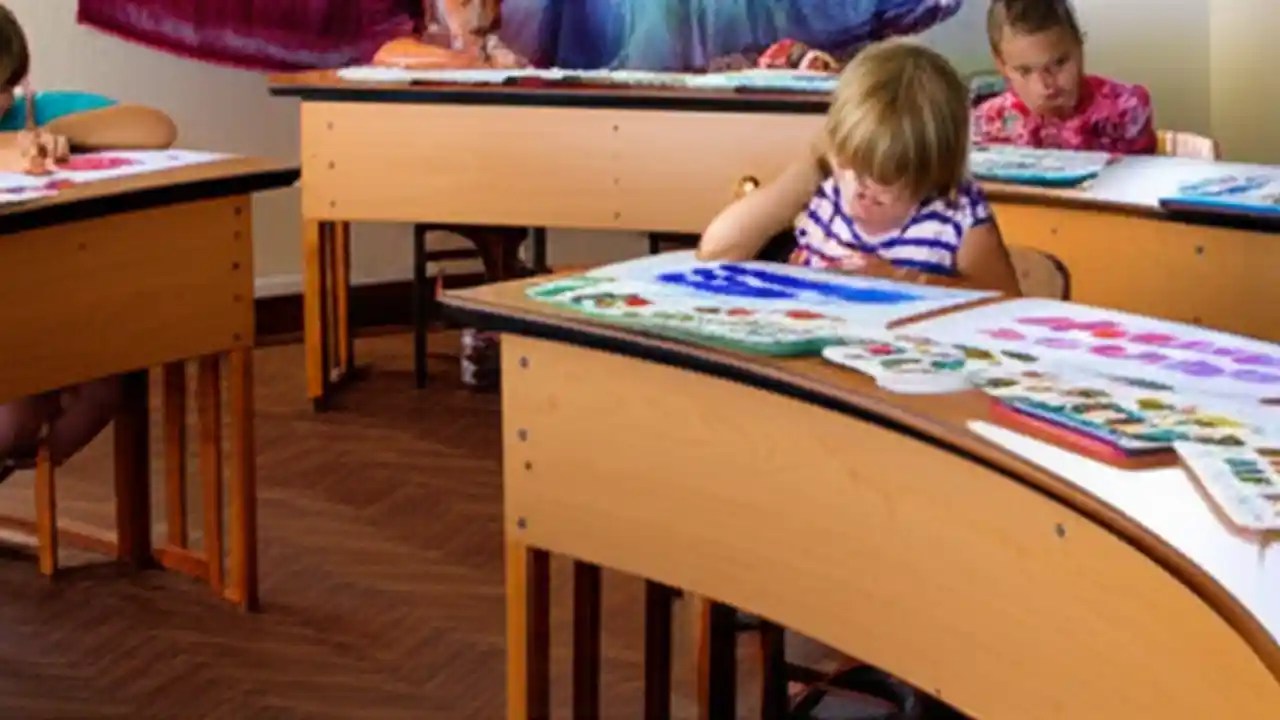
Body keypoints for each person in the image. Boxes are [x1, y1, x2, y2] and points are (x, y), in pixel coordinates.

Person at [0, 2, 178, 482]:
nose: (0, 101)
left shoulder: (27, 115)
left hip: (45, 305)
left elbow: (156, 128)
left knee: (104, 386)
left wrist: (52, 132)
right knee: (13, 417)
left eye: (5, 87)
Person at [698, 38, 1022, 296]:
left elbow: (1003, 302)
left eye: (884, 183)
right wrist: (815, 166)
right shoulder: (826, 193)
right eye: (851, 166)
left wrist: (901, 278)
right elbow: (716, 251)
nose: (860, 190)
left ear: (931, 175)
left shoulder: (955, 214)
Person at [972, 0, 1157, 154]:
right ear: (1001, 65)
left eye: (1059, 63)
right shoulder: (988, 124)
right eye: (1025, 71)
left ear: (1079, 46)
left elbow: (1143, 187)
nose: (1045, 85)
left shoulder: (1126, 110)